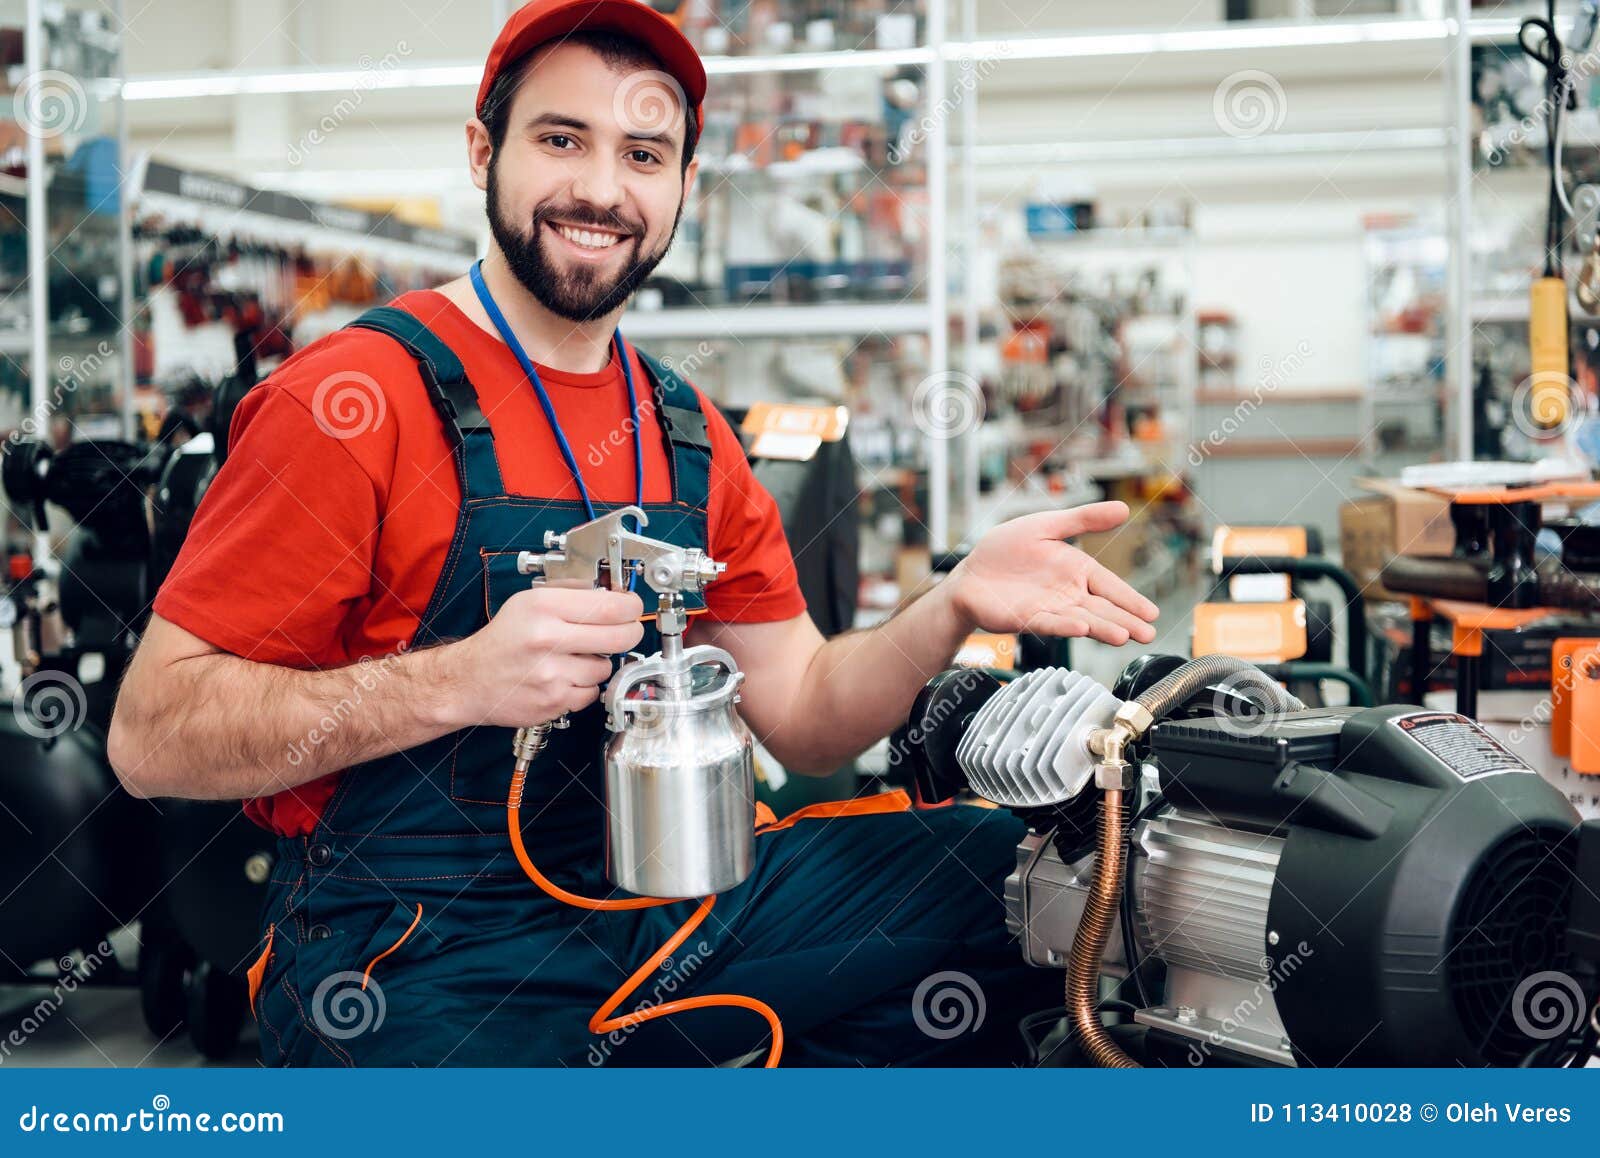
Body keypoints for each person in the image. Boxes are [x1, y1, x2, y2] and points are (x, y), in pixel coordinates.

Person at [108, 0, 1158, 1067]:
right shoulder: (352, 400)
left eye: (643, 154)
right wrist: (454, 682)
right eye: (561, 139)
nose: (602, 191)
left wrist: (952, 605)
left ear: (683, 188)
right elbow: (151, 739)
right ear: (484, 152)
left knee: (1006, 878)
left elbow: (803, 716)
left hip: (664, 897)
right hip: (416, 941)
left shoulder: (685, 431)